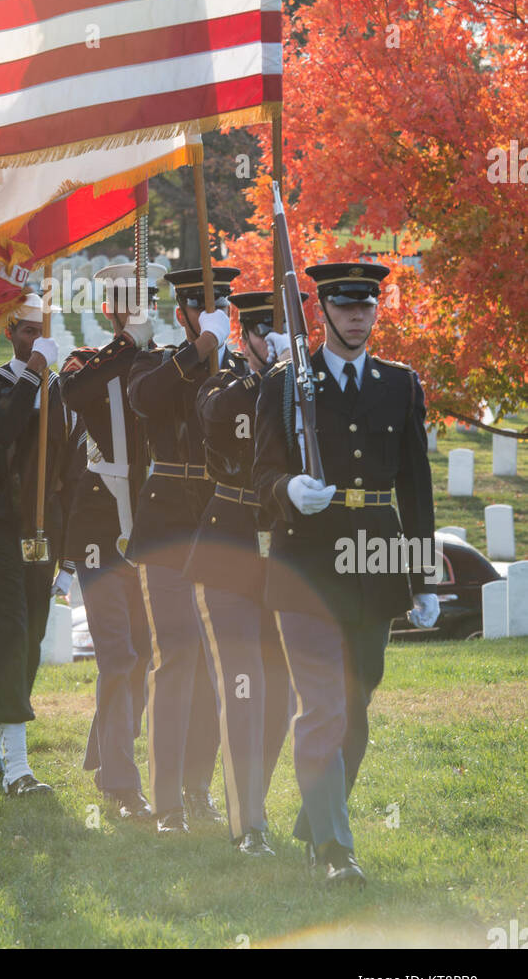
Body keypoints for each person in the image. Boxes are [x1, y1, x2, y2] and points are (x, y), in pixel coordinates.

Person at [253, 262, 440, 886]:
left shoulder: (399, 383)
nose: (357, 315)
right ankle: (334, 849)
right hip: (306, 557)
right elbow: (258, 476)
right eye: (344, 305)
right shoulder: (287, 383)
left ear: (377, 310)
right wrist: (288, 488)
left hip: (375, 562)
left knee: (355, 706)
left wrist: (424, 573)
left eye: (367, 305)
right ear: (323, 310)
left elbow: (415, 486)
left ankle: (315, 819)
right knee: (324, 704)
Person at [126, 264, 243, 835]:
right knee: (176, 657)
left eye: (217, 308)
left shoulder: (241, 373)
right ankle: (167, 800)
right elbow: (145, 399)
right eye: (199, 308)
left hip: (223, 523)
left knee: (219, 667)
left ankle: (199, 788)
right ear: (183, 313)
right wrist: (201, 348)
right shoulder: (159, 361)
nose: (208, 316)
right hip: (170, 523)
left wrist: (237, 361)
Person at [183, 289, 294, 857]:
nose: (270, 339)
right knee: (243, 685)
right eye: (261, 331)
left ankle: (255, 800)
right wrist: (265, 374)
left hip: (282, 551)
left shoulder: (298, 385)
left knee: (280, 695)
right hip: (227, 547)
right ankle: (249, 825)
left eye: (276, 329)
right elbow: (217, 416)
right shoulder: (227, 385)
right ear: (244, 336)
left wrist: (287, 375)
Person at [59, 262, 164, 823]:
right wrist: (126, 344)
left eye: (141, 300)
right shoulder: (88, 361)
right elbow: (72, 390)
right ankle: (123, 784)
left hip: (152, 523)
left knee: (143, 656)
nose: (134, 309)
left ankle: (105, 756)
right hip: (101, 528)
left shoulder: (161, 361)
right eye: (123, 303)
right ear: (108, 310)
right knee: (118, 655)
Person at [0, 292, 71, 797]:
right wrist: (34, 371)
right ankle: (17, 769)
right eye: (27, 330)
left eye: (41, 331)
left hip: (42, 532)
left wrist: (68, 554)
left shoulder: (60, 392)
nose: (35, 339)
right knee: (8, 633)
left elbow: (70, 475)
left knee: (30, 639)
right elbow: (4, 430)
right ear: (11, 333)